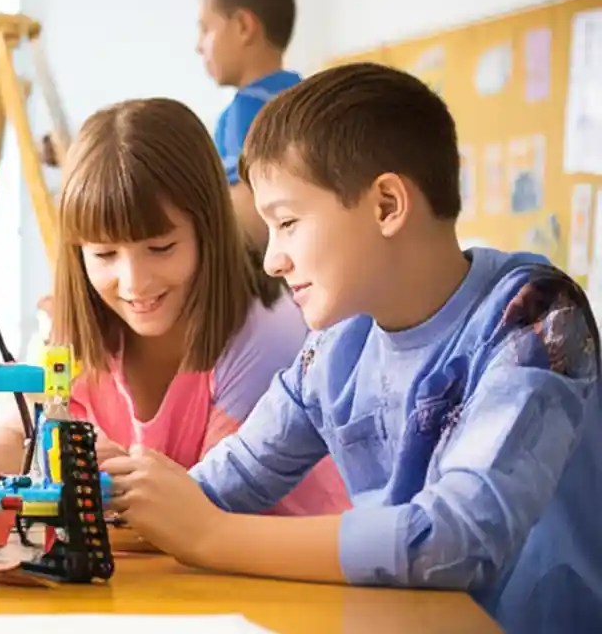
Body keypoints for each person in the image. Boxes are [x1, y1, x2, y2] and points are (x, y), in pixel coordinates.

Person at [102, 63, 601, 634]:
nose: (272, 260)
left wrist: (211, 536)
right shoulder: (338, 344)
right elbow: (217, 488)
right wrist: (108, 494)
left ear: (387, 205)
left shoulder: (536, 316)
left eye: (288, 222)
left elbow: (459, 538)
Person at [0, 96, 350, 566]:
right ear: (77, 252)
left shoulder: (262, 333)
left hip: (285, 591)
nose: (134, 282)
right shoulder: (76, 331)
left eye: (161, 247)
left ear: (207, 231)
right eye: (105, 254)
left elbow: (208, 508)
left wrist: (92, 486)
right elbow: (18, 438)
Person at [197, 0, 301, 250]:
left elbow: (247, 218)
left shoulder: (245, 112)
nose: (198, 45)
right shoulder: (303, 97)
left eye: (205, 29)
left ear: (244, 26)